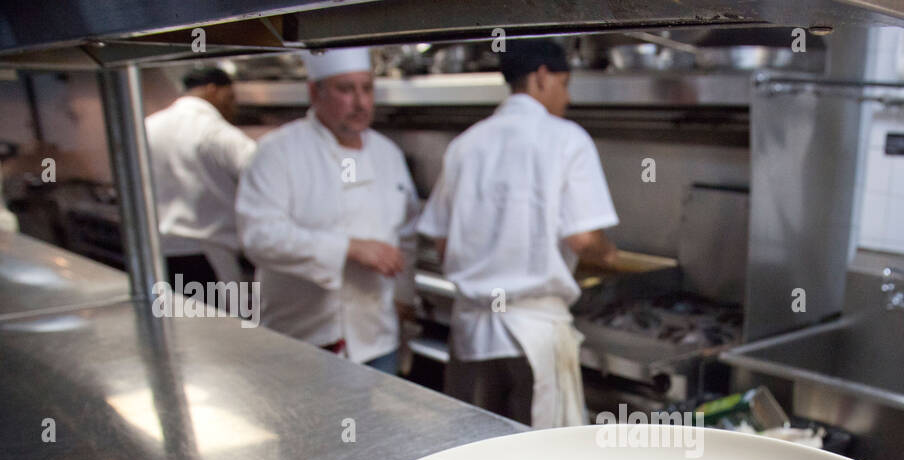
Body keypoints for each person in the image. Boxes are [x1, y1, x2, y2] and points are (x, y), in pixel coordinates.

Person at [419, 38, 619, 427]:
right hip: (535, 333)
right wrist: (610, 255)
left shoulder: (465, 144)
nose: (568, 97)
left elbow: (442, 243)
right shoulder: (567, 139)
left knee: (474, 448)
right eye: (564, 84)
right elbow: (583, 240)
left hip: (472, 332)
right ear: (541, 77)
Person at [236, 48, 419, 373]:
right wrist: (348, 248)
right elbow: (259, 236)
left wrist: (404, 295)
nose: (361, 102)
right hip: (303, 340)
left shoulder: (387, 153)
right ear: (313, 91)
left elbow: (407, 232)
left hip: (378, 336)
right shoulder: (278, 152)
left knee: (377, 424)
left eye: (366, 88)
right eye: (345, 89)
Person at [146, 66, 256, 285]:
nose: (232, 106)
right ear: (212, 89)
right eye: (231, 97)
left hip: (159, 252)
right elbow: (266, 176)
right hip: (208, 254)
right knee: (221, 319)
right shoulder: (215, 131)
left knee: (175, 317)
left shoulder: (149, 126)